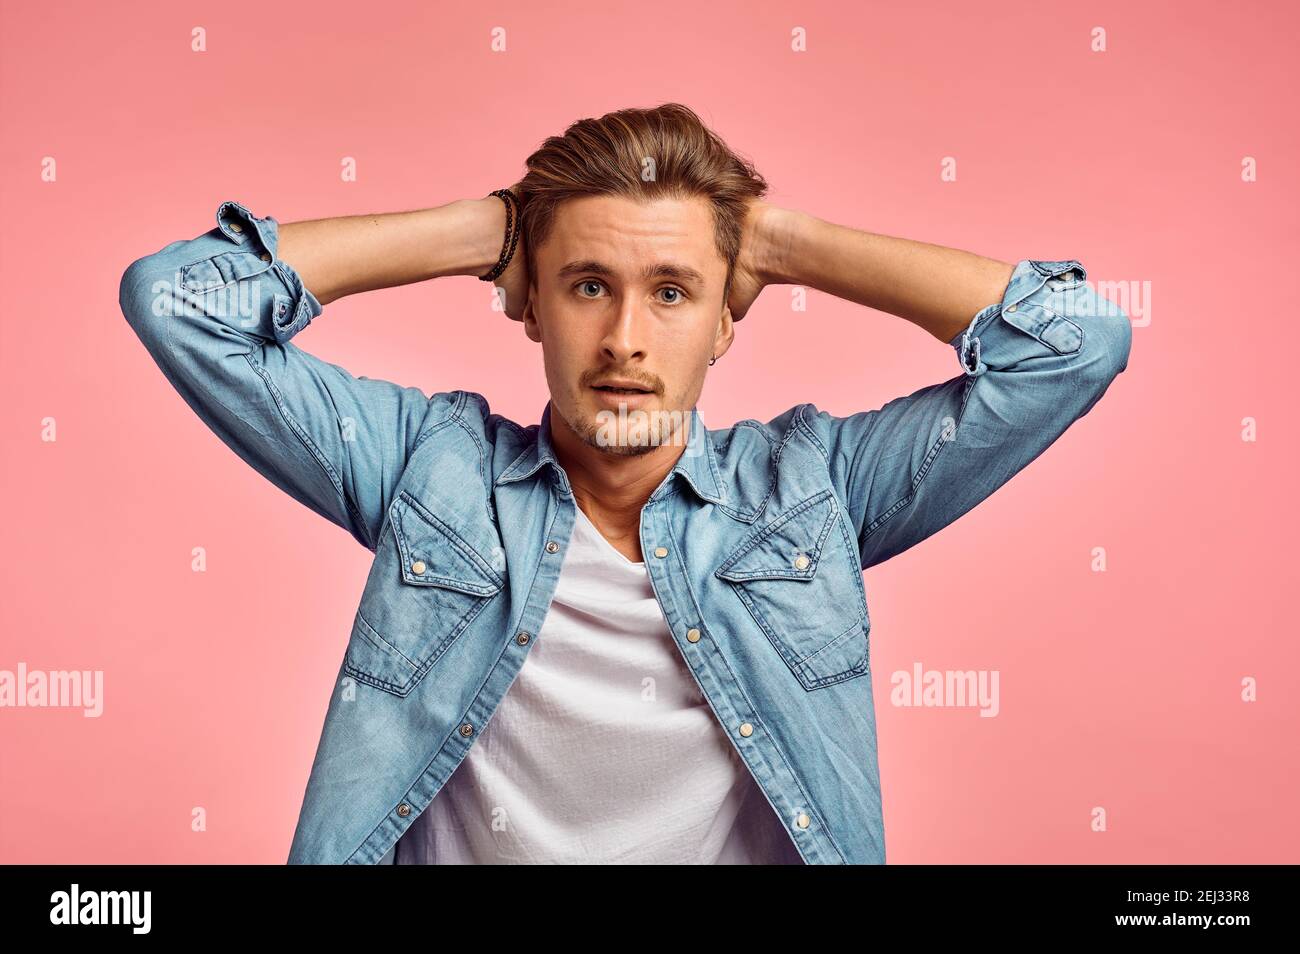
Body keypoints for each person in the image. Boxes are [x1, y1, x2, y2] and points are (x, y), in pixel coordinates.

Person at [117, 102, 1132, 864]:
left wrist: (778, 242)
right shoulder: (432, 471)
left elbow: (1077, 343)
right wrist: (488, 231)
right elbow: (178, 300)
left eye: (675, 292)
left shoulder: (810, 493)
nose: (626, 341)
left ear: (728, 316)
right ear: (530, 303)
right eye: (588, 286)